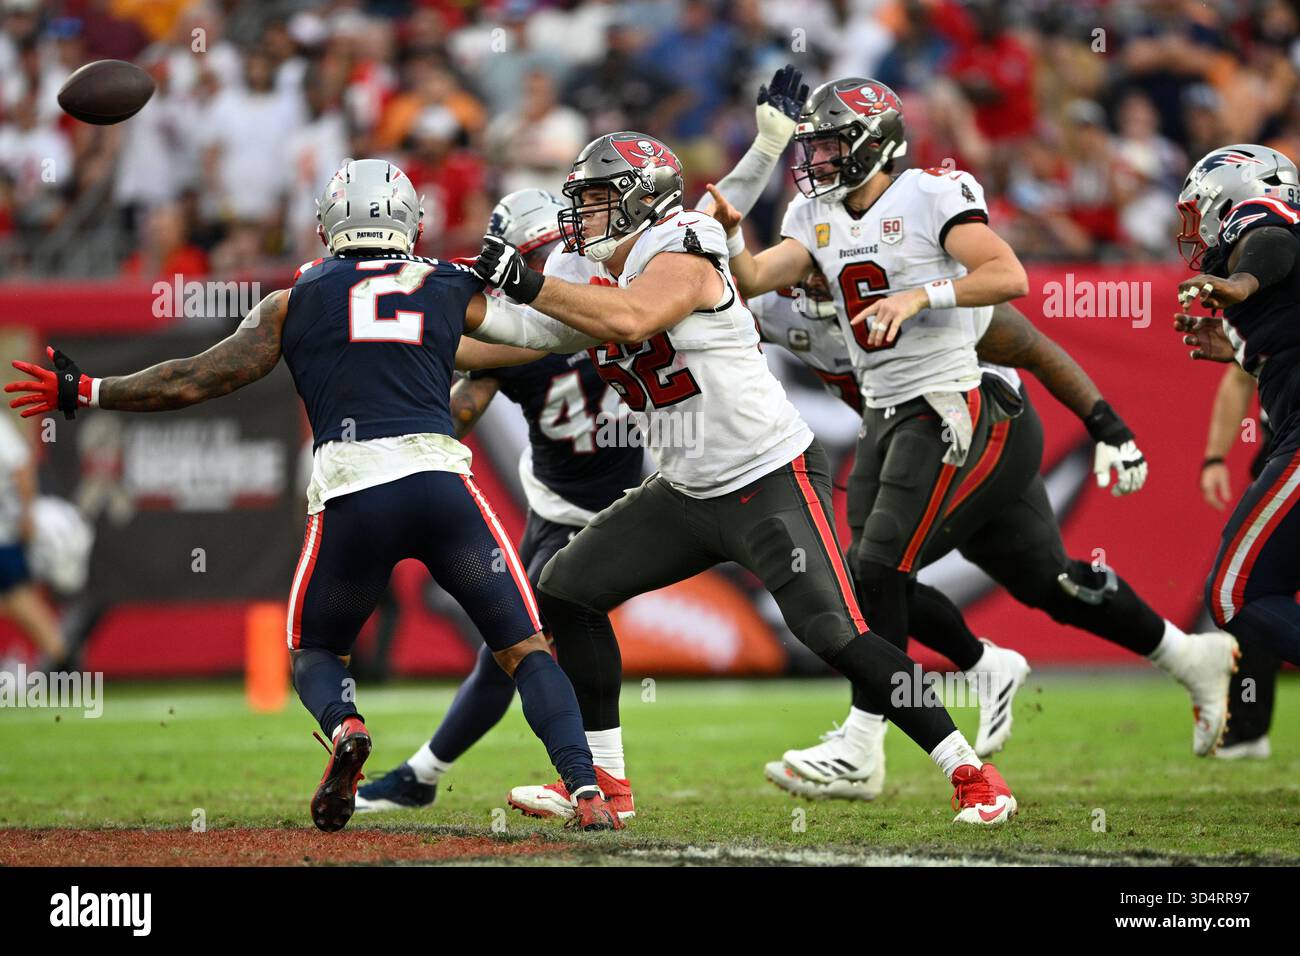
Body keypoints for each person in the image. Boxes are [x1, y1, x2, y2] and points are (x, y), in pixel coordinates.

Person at [5, 159, 620, 834]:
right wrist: (615, 312)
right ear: (410, 220)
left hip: (355, 495)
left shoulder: (295, 298)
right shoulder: (446, 285)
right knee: (526, 648)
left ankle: (346, 724)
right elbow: (544, 337)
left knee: (317, 653)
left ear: (329, 222)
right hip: (442, 487)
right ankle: (588, 789)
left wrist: (88, 390)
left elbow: (194, 379)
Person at [469, 127, 1020, 825]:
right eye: (583, 199)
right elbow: (523, 336)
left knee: (835, 634)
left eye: (602, 197)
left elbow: (635, 318)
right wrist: (418, 318)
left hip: (768, 475)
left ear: (645, 201)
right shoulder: (587, 274)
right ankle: (608, 784)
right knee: (567, 591)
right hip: (686, 490)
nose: (584, 215)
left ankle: (972, 772)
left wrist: (525, 282)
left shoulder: (686, 246)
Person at [717, 77, 1239, 794]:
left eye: (834, 146)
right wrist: (738, 196)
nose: (821, 162)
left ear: (876, 146)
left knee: (873, 573)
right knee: (1045, 584)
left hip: (965, 411)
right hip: (891, 418)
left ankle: (867, 742)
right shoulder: (810, 233)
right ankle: (1188, 657)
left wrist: (1107, 425)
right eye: (815, 149)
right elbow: (743, 277)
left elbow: (1014, 292)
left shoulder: (929, 202)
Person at [356, 188, 645, 814]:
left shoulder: (518, 337)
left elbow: (457, 410)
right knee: (514, 647)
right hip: (601, 509)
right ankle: (429, 774)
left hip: (582, 517)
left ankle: (438, 776)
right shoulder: (621, 297)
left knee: (515, 645)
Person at [1175, 142, 1300, 667]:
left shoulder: (1263, 217)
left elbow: (1271, 238)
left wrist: (1240, 282)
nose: (1195, 226)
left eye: (1199, 208)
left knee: (1236, 593)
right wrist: (1244, 346)